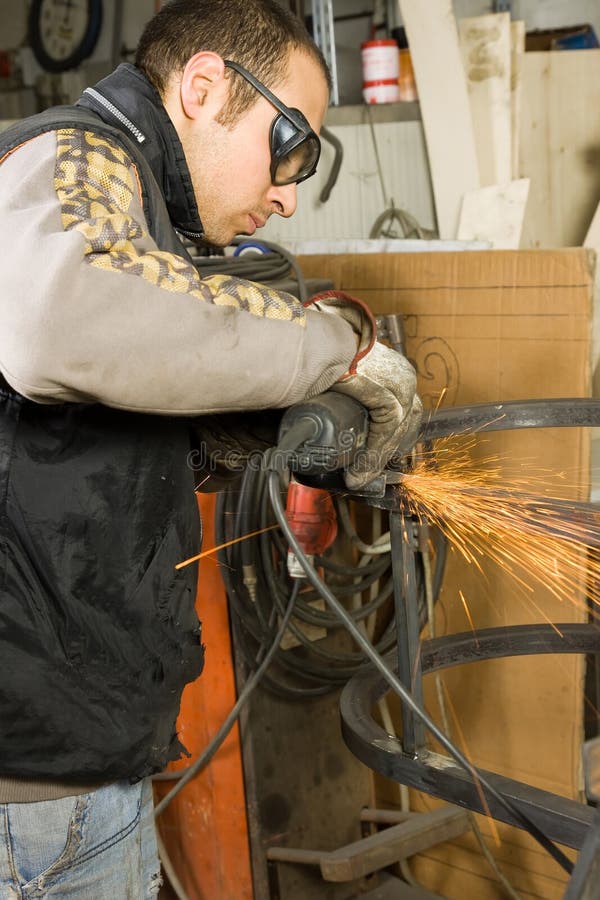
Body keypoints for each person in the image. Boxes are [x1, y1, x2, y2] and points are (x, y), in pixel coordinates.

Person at [0, 0, 421, 896]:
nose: (287, 193)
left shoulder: (138, 207)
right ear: (203, 87)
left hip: (70, 757)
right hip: (32, 786)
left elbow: (78, 444)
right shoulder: (76, 157)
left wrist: (256, 426)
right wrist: (331, 344)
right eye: (290, 146)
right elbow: (56, 327)